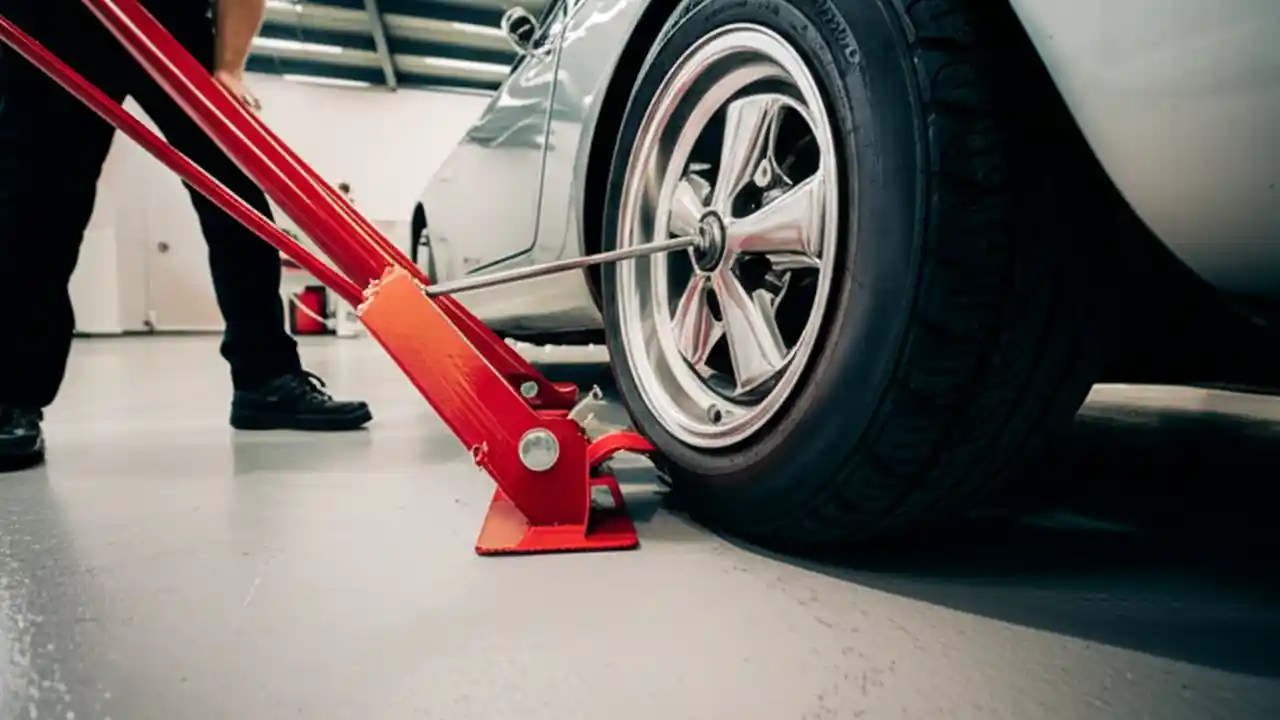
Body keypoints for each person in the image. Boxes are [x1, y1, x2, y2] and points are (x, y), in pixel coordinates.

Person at [0, 0, 372, 472]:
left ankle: (267, 380)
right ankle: (10, 396)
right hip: (55, 17)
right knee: (35, 205)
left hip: (164, 19)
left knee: (234, 194)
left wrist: (229, 67)